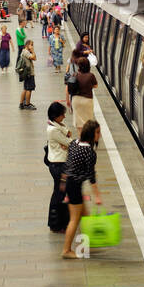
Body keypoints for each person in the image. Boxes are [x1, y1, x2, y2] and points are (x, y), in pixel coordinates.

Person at [59, 121, 102, 258]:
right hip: (74, 186)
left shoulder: (74, 143)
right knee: (74, 219)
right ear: (91, 134)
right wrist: (97, 196)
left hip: (68, 183)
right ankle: (66, 250)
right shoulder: (89, 152)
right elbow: (91, 176)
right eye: (97, 132)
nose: (99, 135)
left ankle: (88, 243)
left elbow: (68, 161)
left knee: (85, 216)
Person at [45, 103, 72, 233]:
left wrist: (67, 135)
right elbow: (69, 142)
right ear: (56, 116)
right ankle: (56, 224)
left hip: (59, 164)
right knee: (59, 195)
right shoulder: (53, 130)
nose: (64, 116)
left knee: (60, 193)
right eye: (62, 115)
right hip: (59, 166)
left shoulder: (55, 125)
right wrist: (67, 141)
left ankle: (59, 222)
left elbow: (68, 133)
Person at [71, 58, 98, 129]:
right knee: (88, 122)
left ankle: (81, 138)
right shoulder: (91, 75)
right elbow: (96, 85)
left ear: (79, 66)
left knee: (79, 123)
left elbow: (68, 88)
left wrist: (68, 101)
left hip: (76, 100)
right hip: (87, 100)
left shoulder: (75, 75)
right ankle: (87, 138)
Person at [16, 39, 37, 110]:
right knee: (29, 89)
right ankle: (27, 104)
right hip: (29, 72)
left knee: (25, 88)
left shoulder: (24, 51)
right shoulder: (26, 52)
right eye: (31, 45)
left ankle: (21, 104)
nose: (32, 46)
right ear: (27, 45)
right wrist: (33, 51)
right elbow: (34, 58)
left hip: (26, 72)